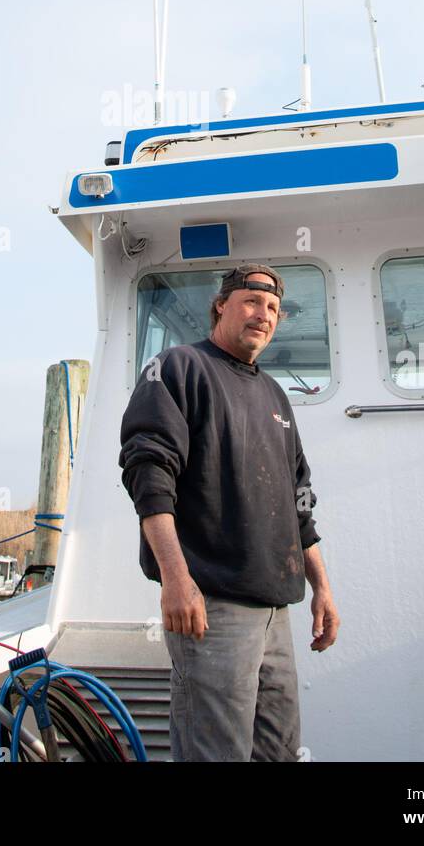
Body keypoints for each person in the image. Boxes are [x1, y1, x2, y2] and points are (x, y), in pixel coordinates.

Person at [118, 262, 340, 762]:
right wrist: (177, 579)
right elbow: (148, 473)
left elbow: (300, 498)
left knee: (277, 752)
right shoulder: (177, 367)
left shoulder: (275, 395)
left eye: (274, 309)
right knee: (216, 753)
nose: (264, 315)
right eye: (252, 302)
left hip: (276, 609)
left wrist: (322, 588)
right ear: (221, 305)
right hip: (212, 607)